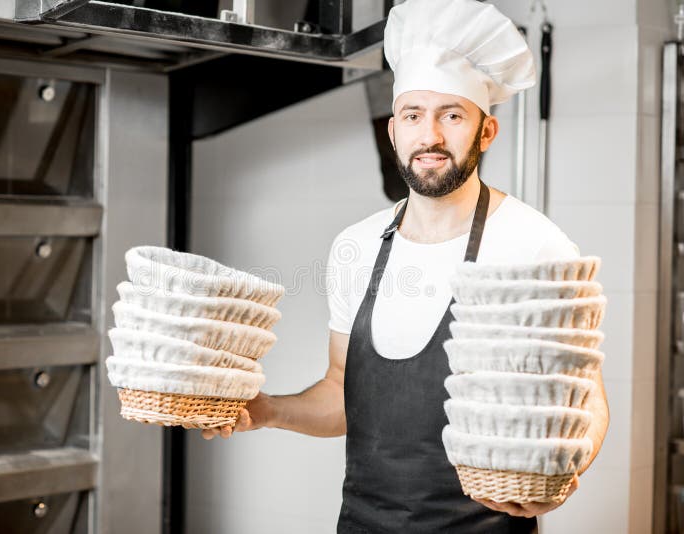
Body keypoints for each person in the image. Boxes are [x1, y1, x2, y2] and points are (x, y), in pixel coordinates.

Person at [202, 0, 610, 531]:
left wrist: (567, 467)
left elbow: (587, 400)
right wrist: (268, 411)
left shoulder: (533, 245)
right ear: (394, 131)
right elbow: (342, 393)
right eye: (414, 115)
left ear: (486, 132)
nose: (430, 136)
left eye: (452, 115)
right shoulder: (355, 246)